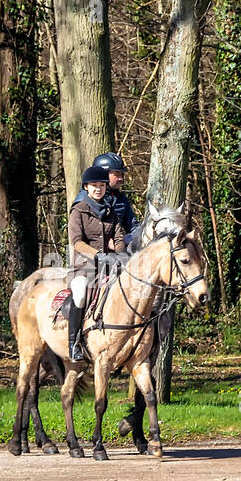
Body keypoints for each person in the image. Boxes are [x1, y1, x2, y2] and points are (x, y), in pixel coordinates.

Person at [67, 164, 126, 362]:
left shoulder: (111, 210)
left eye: (101, 185)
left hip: (110, 264)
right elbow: (76, 242)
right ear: (86, 187)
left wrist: (120, 255)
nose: (98, 189)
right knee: (81, 292)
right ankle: (74, 343)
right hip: (84, 266)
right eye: (94, 185)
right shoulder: (78, 210)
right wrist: (97, 256)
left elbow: (119, 238)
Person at [73, 151, 140, 247]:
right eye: (117, 174)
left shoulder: (121, 198)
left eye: (121, 175)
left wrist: (123, 241)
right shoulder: (84, 200)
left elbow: (134, 227)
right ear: (104, 174)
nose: (121, 179)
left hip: (117, 252)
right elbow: (80, 237)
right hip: (91, 255)